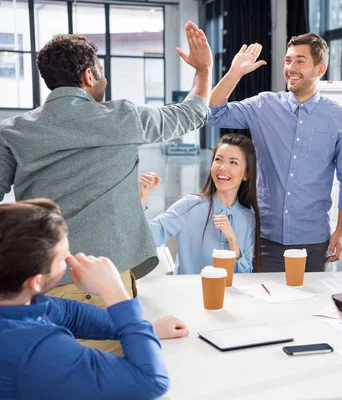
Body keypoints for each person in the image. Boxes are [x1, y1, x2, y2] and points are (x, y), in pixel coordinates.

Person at [0, 22, 212, 352]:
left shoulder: (13, 131)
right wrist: (203, 69)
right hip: (103, 284)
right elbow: (191, 114)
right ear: (88, 76)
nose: (104, 79)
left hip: (39, 283)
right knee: (107, 378)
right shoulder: (122, 117)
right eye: (101, 71)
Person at [0, 199, 189, 399]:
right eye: (64, 258)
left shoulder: (17, 301)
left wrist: (145, 328)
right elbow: (151, 381)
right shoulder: (37, 352)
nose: (72, 260)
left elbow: (70, 314)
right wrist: (114, 291)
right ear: (36, 282)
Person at [207, 33, 342, 272]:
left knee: (310, 307)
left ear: (320, 68)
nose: (291, 68)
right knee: (263, 304)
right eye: (288, 61)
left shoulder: (339, 118)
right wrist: (235, 72)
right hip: (265, 236)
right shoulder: (263, 106)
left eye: (300, 61)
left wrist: (340, 232)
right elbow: (214, 113)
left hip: (313, 241)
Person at [139, 134, 260, 274]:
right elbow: (147, 240)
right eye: (218, 159)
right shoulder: (189, 205)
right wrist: (143, 198)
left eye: (233, 162)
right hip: (189, 294)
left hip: (229, 295)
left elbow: (245, 275)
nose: (223, 167)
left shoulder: (248, 218)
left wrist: (232, 240)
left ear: (246, 174)